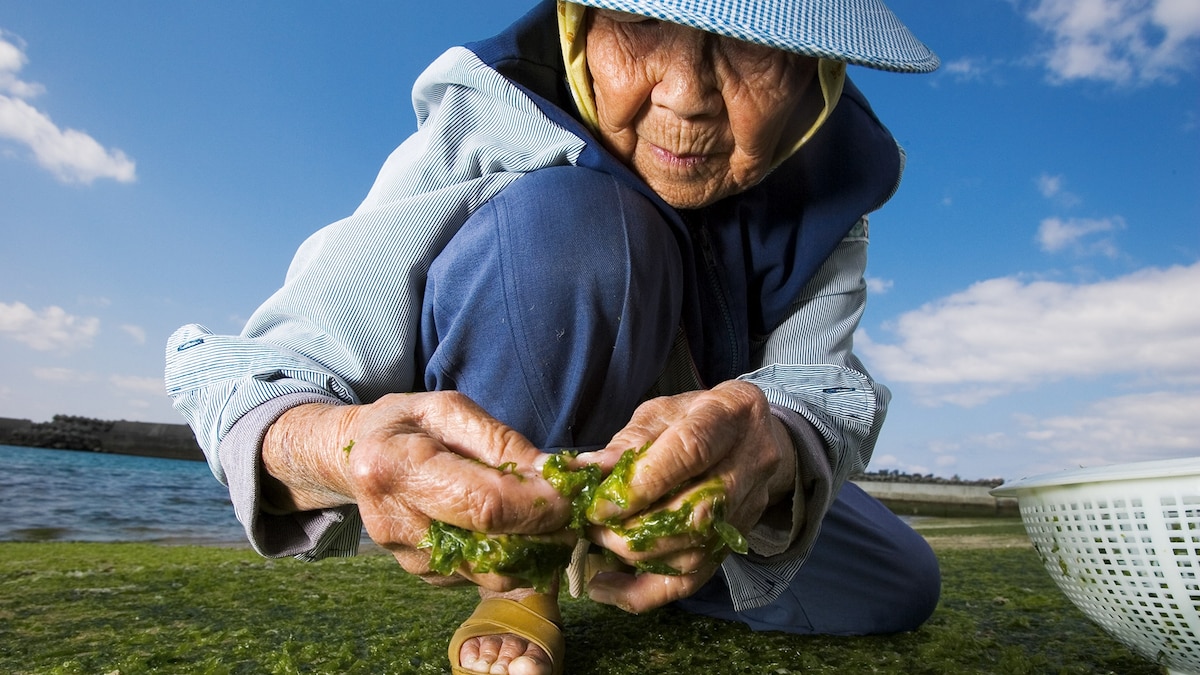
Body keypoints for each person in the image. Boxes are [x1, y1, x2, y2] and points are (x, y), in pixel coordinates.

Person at [164, 1, 942, 673]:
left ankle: (641, 555)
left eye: (752, 46)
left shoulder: (832, 177)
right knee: (579, 229)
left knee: (900, 583)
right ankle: (521, 580)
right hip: (515, 449)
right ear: (578, 21)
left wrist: (772, 448)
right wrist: (342, 443)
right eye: (640, 22)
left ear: (817, 73)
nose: (685, 95)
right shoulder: (492, 114)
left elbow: (816, 382)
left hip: (689, 482)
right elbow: (255, 378)